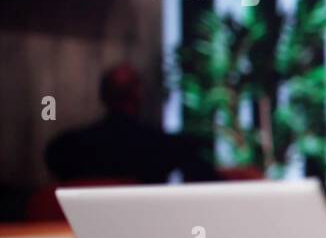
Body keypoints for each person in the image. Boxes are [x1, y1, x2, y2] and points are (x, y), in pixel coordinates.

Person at [45, 64, 215, 183]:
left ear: (102, 96)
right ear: (138, 95)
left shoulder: (65, 148)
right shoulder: (163, 147)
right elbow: (210, 181)